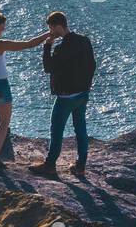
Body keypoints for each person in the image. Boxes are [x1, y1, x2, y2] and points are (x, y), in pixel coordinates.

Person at [0, 11, 51, 171]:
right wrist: (49, 34)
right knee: (4, 122)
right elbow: (29, 44)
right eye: (2, 27)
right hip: (0, 85)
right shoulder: (0, 44)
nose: (4, 29)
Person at [29, 11, 96, 179]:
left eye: (51, 28)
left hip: (66, 97)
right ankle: (80, 166)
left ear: (59, 26)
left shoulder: (61, 48)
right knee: (80, 128)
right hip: (82, 94)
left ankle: (50, 165)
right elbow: (92, 65)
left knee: (56, 130)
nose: (51, 31)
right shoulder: (84, 41)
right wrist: (86, 86)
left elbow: (48, 68)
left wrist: (47, 46)